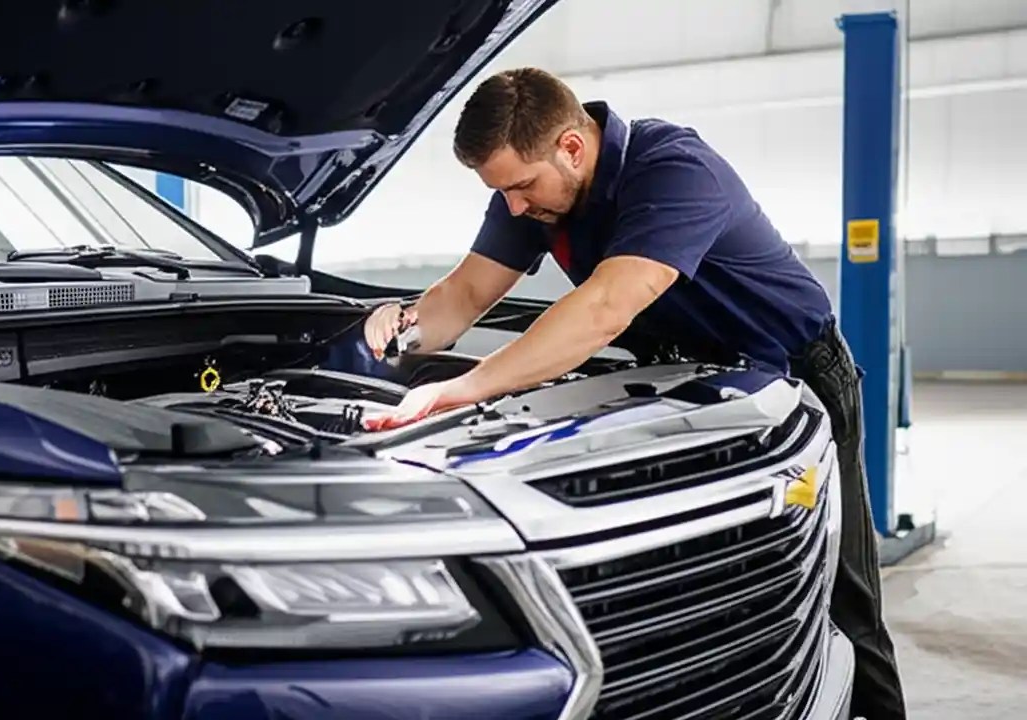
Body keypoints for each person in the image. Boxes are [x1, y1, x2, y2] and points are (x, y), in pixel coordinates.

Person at [361, 67, 906, 719]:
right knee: (693, 589)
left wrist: (462, 389)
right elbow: (464, 296)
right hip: (679, 384)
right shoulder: (532, 193)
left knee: (840, 592)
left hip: (792, 378)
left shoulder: (673, 168)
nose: (512, 206)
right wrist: (400, 325)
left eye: (520, 186)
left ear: (570, 146)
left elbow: (605, 309)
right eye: (499, 191)